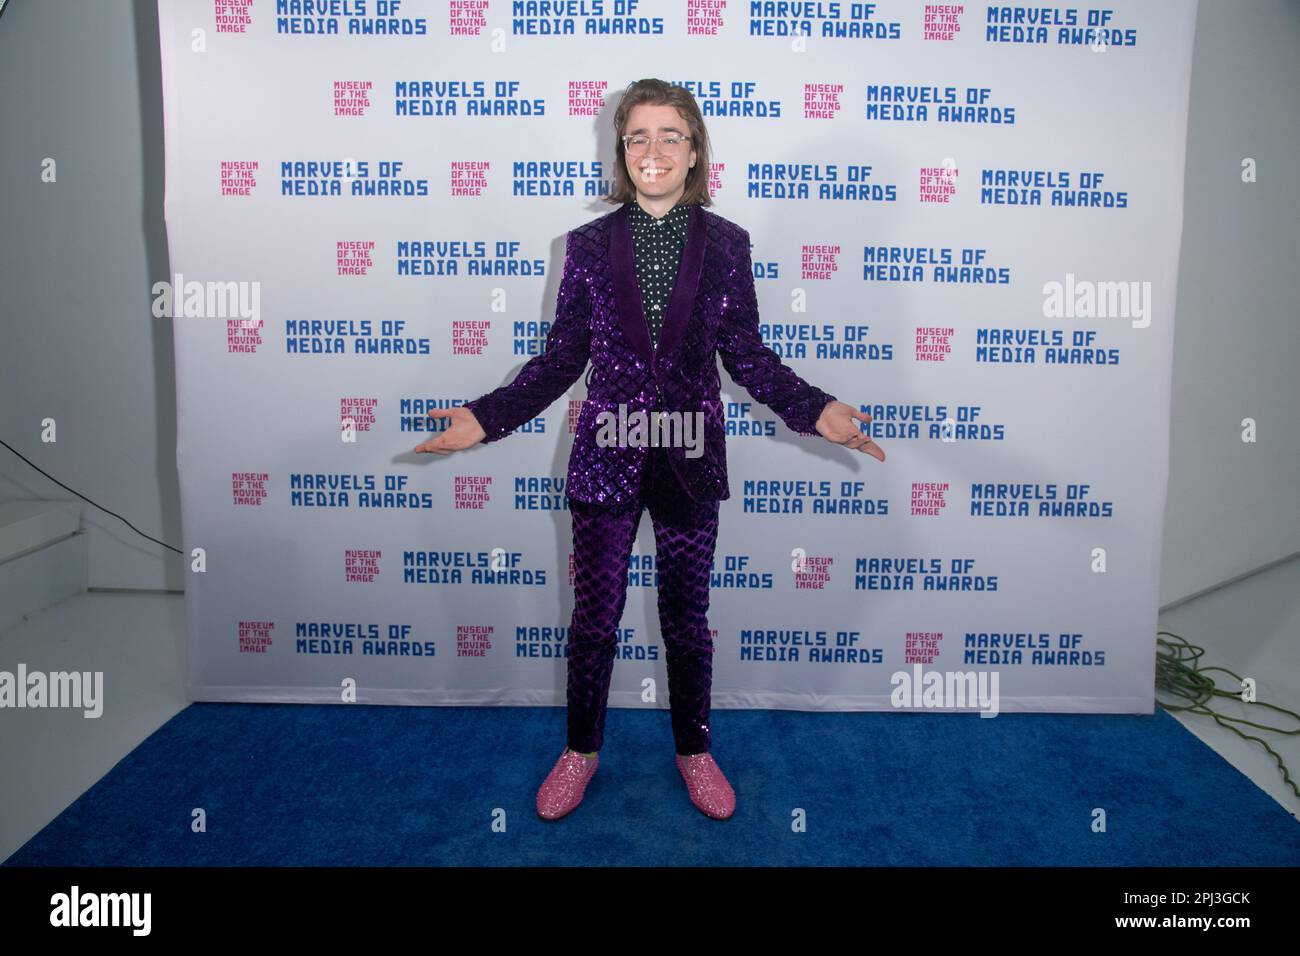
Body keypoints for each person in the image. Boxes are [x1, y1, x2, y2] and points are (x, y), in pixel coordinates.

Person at [416, 79, 885, 821]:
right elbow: (561, 359)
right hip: (606, 455)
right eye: (639, 137)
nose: (654, 150)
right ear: (621, 151)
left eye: (671, 135)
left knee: (687, 622)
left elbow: (748, 356)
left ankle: (696, 751)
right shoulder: (587, 247)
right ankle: (579, 751)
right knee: (593, 622)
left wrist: (816, 407)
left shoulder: (728, 245)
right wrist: (484, 417)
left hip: (690, 459)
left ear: (694, 150)